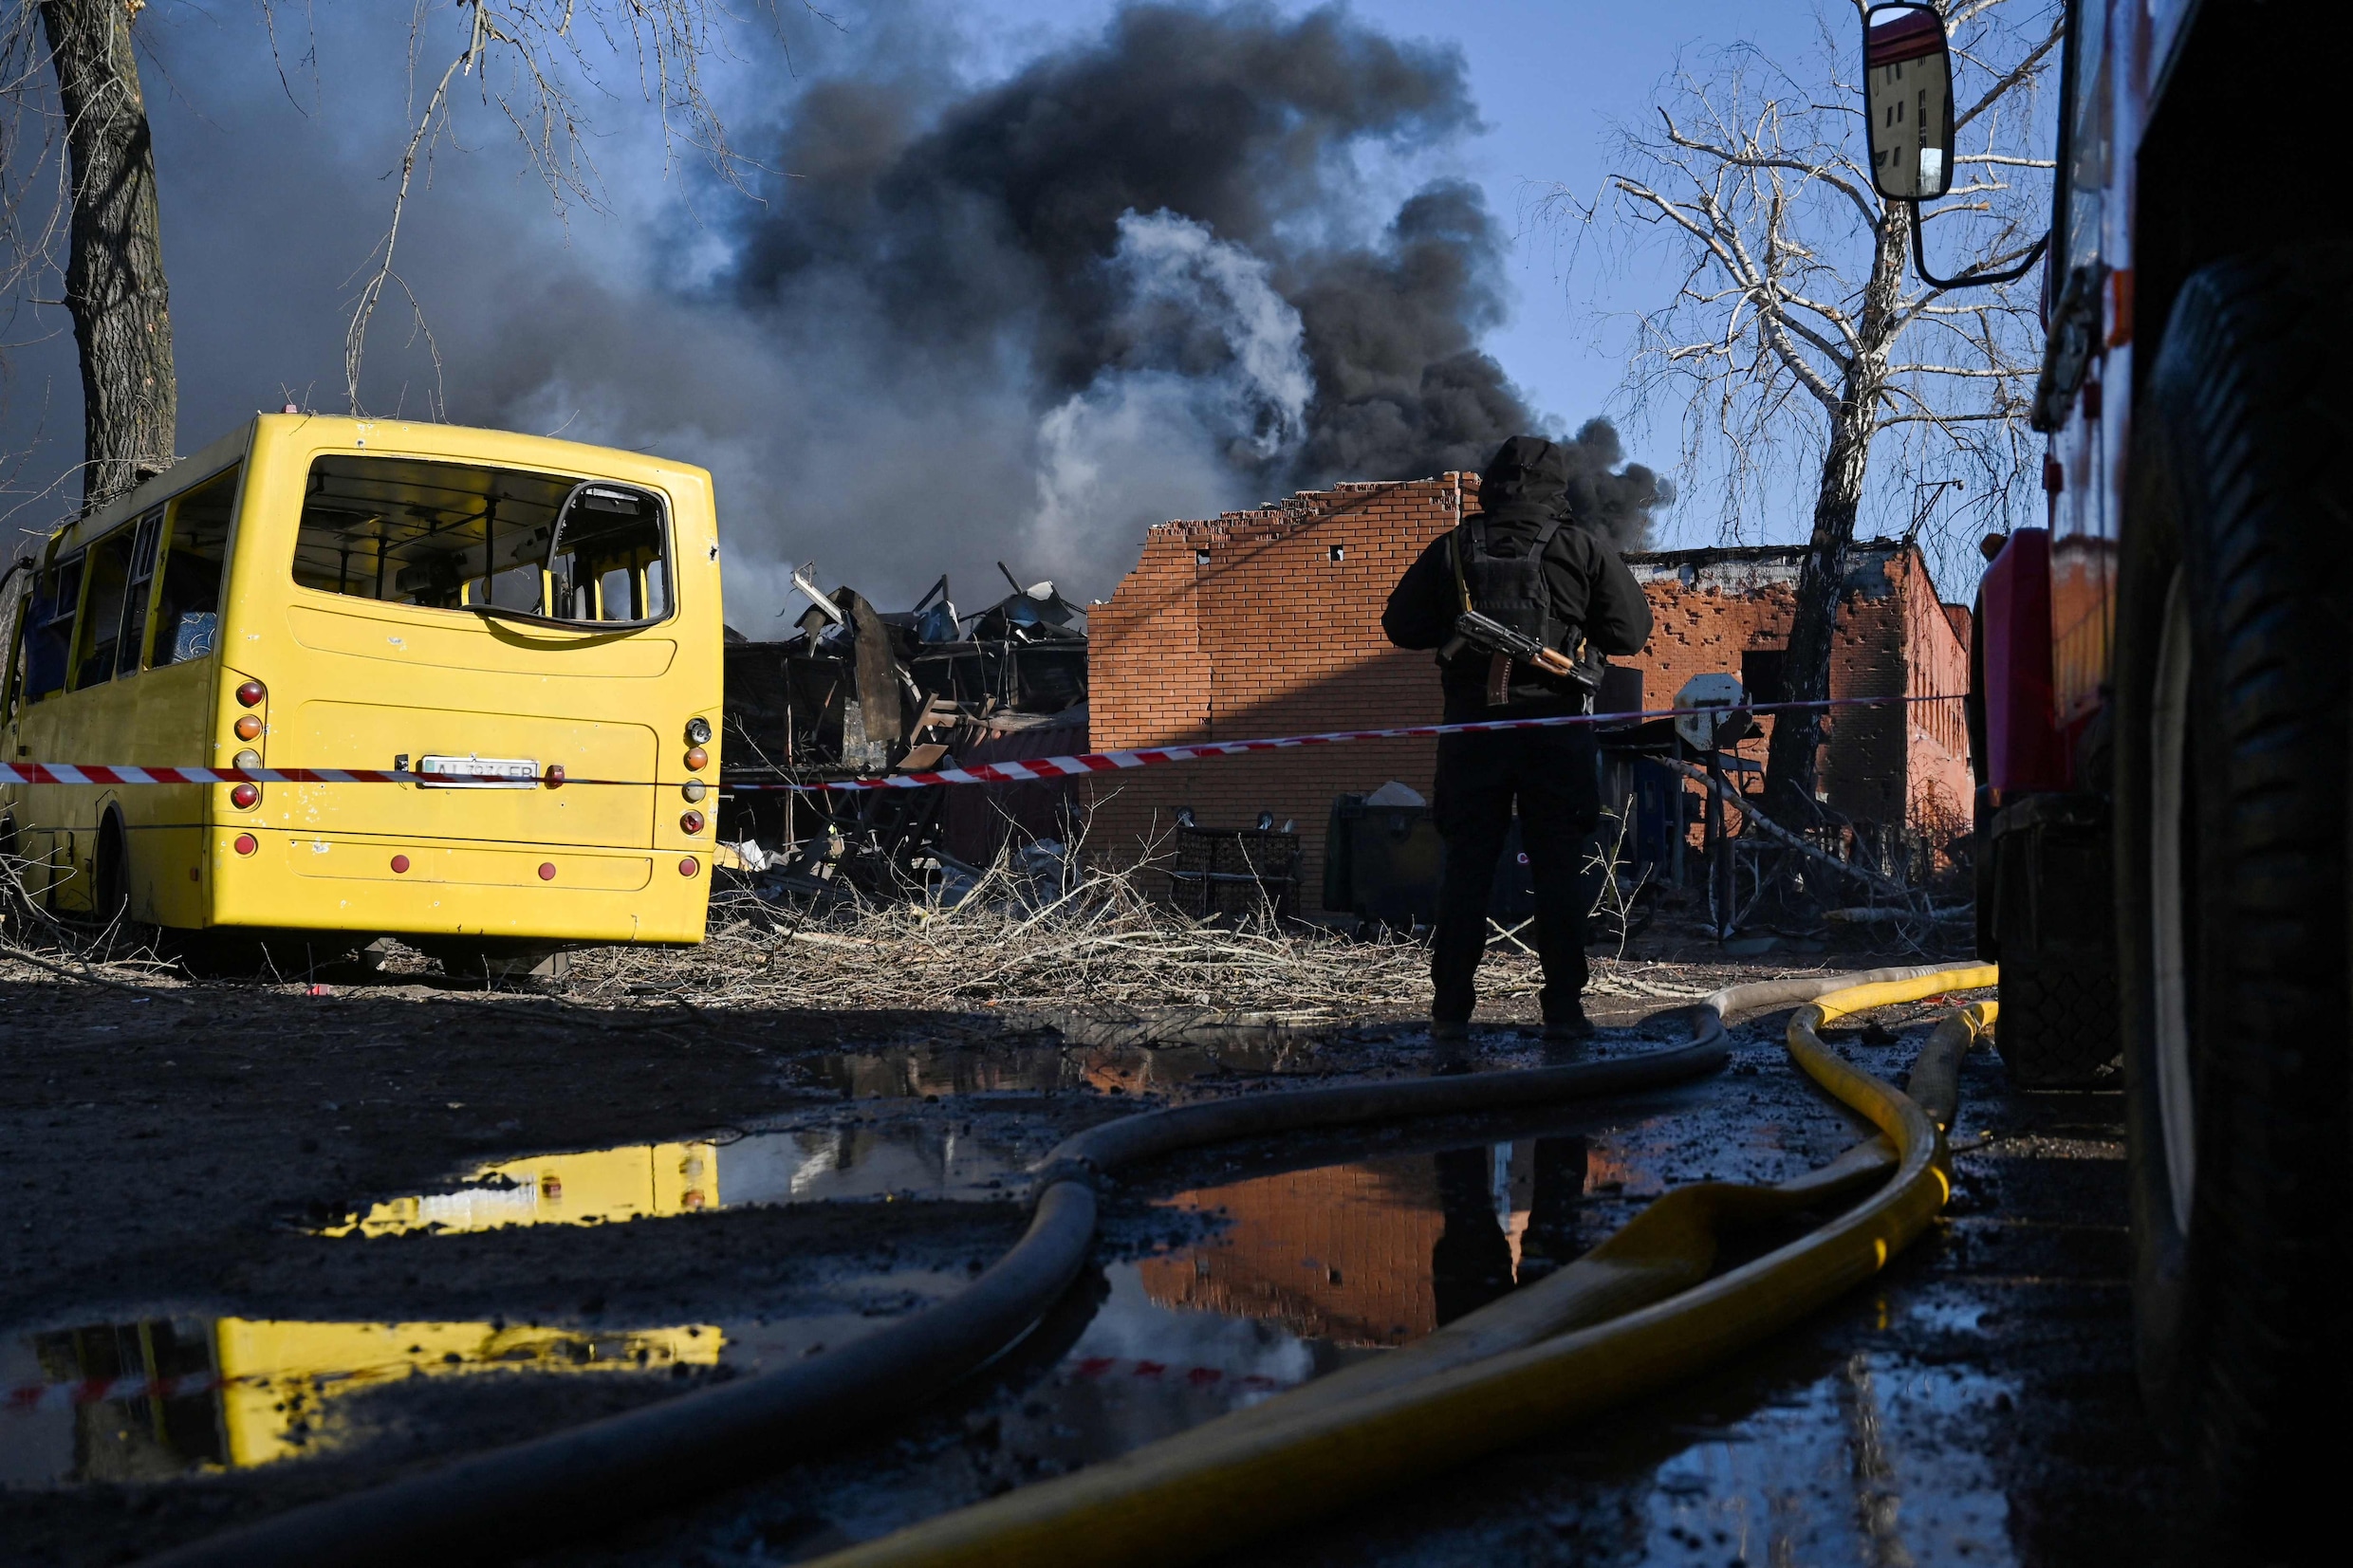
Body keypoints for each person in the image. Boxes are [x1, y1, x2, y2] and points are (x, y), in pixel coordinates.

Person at [1381, 435, 1654, 1042]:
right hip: (1554, 733)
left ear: (1492, 482)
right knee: (1558, 870)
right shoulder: (1579, 547)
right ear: (1557, 487)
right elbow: (1631, 632)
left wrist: (1457, 614)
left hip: (1473, 732)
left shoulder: (1456, 547)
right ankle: (1563, 1009)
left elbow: (1402, 624)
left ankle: (1450, 1008)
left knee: (1466, 870)